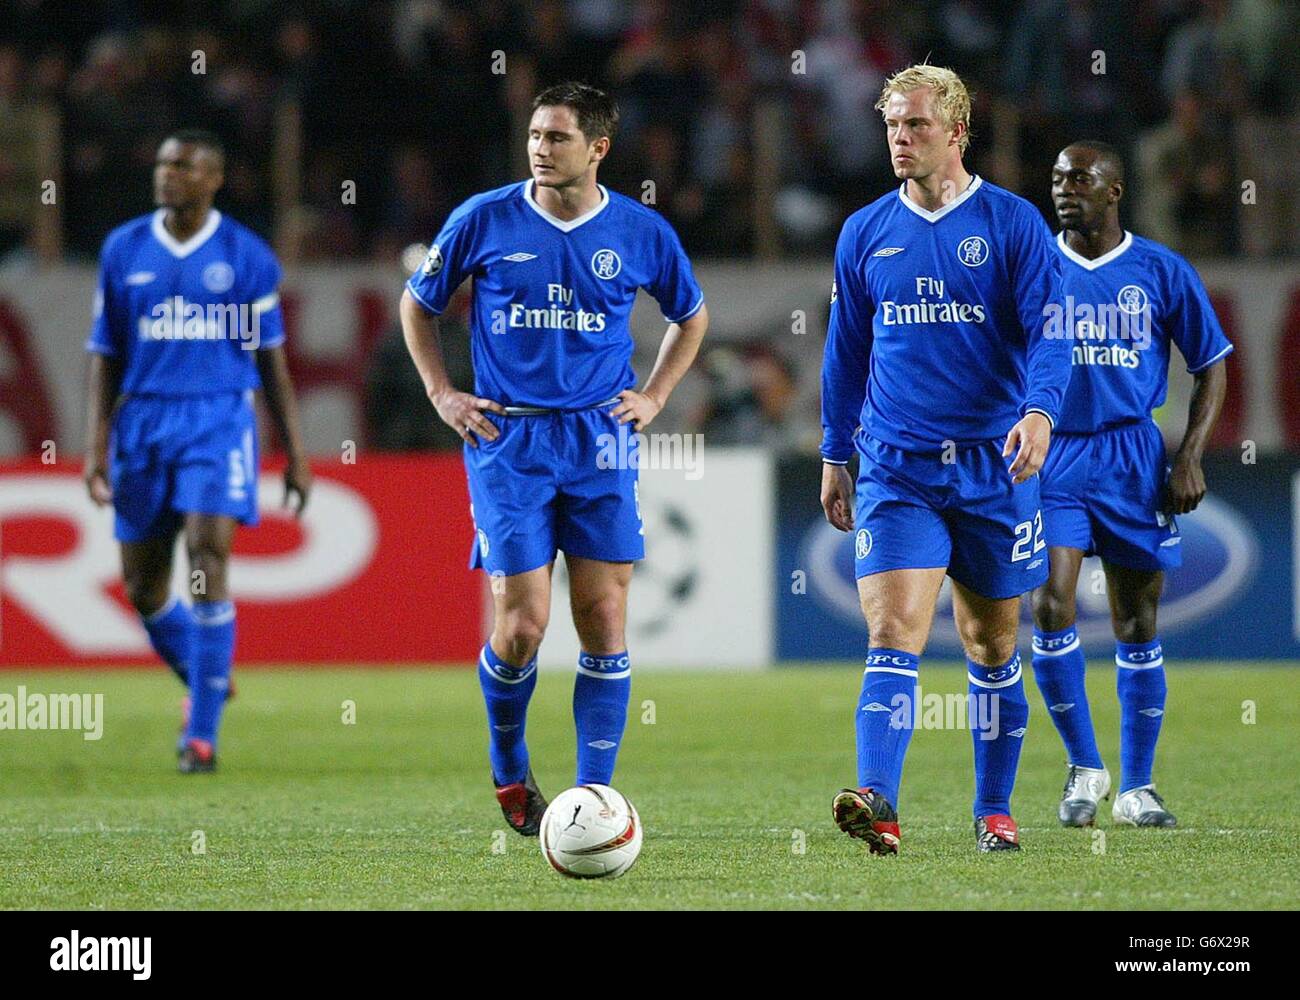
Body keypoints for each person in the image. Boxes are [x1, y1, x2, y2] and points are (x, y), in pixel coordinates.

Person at [400, 82, 708, 836]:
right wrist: (444, 393)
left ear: (599, 148)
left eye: (558, 137)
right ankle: (510, 766)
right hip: (510, 442)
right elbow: (418, 303)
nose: (540, 148)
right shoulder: (485, 217)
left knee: (604, 615)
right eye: (535, 135)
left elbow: (690, 315)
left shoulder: (639, 231)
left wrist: (656, 396)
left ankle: (593, 802)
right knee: (523, 627)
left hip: (600, 441)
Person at [819, 64, 1072, 854]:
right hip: (896, 466)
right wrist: (835, 451)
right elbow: (846, 351)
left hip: (994, 469)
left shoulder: (1012, 223)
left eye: (917, 125)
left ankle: (993, 809)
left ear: (958, 131)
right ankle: (879, 801)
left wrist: (1039, 412)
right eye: (893, 125)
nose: (900, 138)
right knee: (893, 630)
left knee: (992, 642)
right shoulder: (864, 231)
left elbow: (1050, 331)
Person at [84, 130, 311, 773]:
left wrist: (295, 451)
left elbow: (270, 361)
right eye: (162, 162)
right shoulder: (124, 249)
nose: (168, 173)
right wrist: (94, 443)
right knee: (143, 586)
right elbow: (107, 354)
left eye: (184, 165)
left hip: (217, 419)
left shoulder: (244, 257)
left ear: (215, 178)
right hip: (143, 423)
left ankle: (201, 737)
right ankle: (206, 673)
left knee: (208, 559)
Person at [1032, 140, 1232, 828]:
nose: (1064, 189)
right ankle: (1085, 769)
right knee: (1052, 606)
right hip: (1052, 453)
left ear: (1114, 190)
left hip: (1132, 455)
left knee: (1136, 622)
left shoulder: (1159, 270)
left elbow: (1211, 364)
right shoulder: (1033, 265)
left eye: (1080, 179)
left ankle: (1137, 787)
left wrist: (1190, 455)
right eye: (1057, 178)